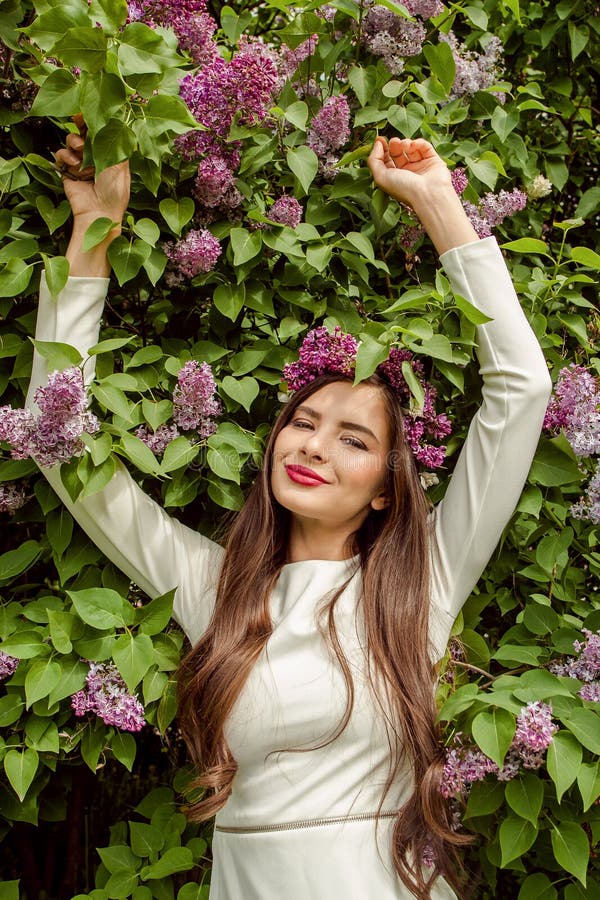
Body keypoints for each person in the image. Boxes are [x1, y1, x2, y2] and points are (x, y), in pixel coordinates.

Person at [26, 127, 552, 900]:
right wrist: (94, 231)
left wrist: (438, 204)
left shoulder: (422, 582)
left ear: (385, 488)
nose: (312, 446)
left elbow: (522, 391)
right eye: (302, 422)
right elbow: (57, 444)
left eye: (353, 438)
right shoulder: (214, 587)